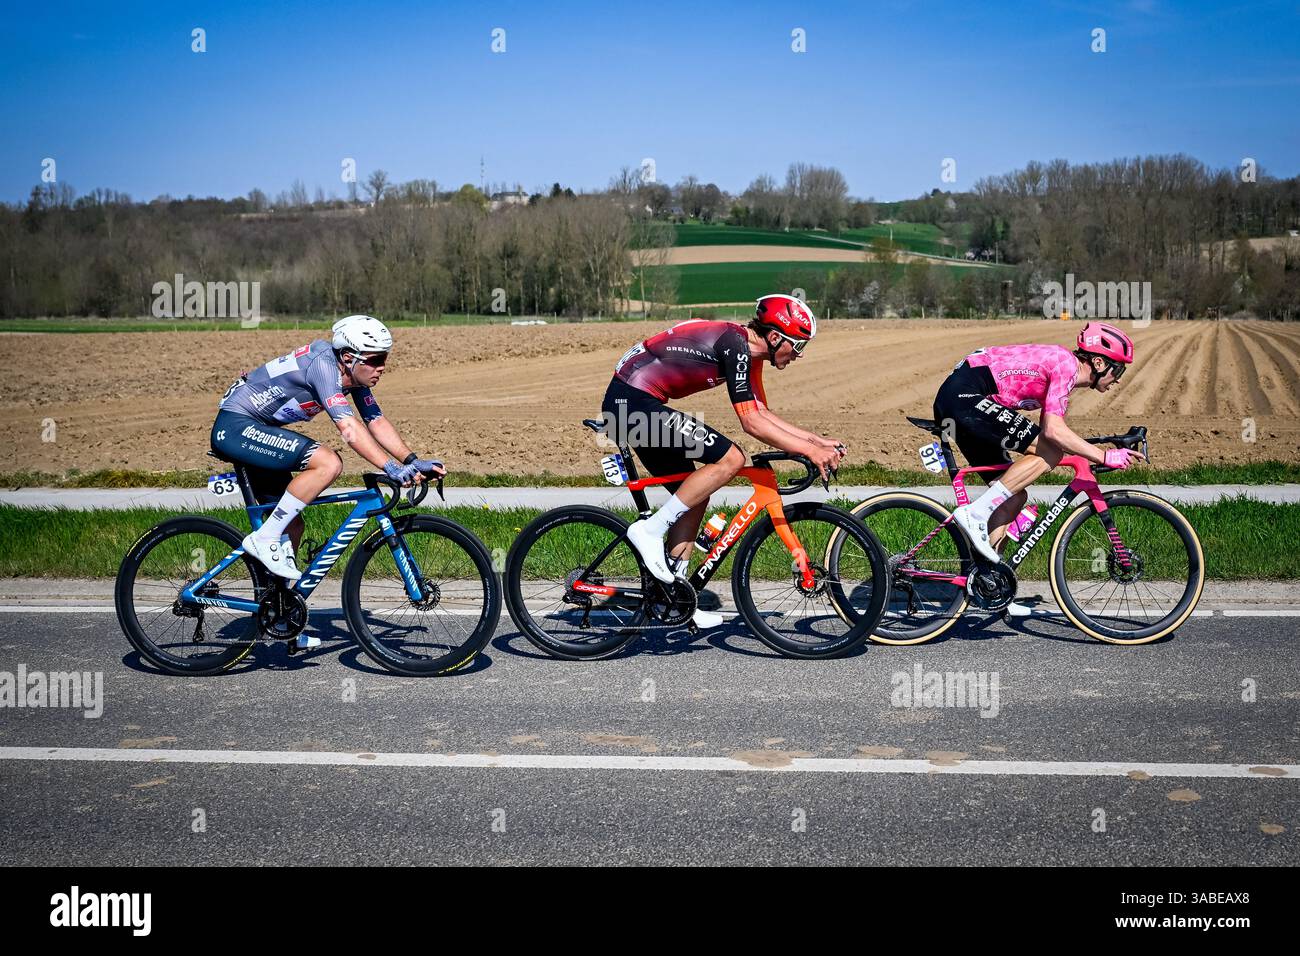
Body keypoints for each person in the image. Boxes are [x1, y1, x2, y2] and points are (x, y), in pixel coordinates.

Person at [601, 294, 846, 628]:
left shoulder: (749, 352)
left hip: (638, 404)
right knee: (731, 458)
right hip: (631, 404)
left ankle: (675, 596)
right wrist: (811, 452)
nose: (798, 355)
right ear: (775, 338)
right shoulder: (736, 344)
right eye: (798, 346)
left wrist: (814, 441)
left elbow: (762, 412)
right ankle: (650, 531)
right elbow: (751, 424)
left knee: (695, 493)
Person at [210, 315, 443, 646]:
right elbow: (349, 430)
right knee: (328, 463)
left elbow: (375, 421)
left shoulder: (353, 376)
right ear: (349, 356)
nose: (382, 367)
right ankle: (264, 538)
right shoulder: (323, 366)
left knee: (293, 527)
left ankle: (283, 618)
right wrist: (389, 467)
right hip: (236, 426)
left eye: (385, 359)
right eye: (376, 359)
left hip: (258, 430)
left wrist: (411, 460)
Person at [938, 321, 1144, 565]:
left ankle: (990, 586)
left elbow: (1055, 431)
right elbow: (1053, 431)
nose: (1117, 380)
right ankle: (975, 513)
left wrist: (1099, 447)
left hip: (960, 401)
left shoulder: (1065, 369)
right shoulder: (1065, 364)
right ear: (1099, 363)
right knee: (1051, 451)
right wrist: (1103, 456)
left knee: (1012, 498)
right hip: (963, 398)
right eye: (1117, 371)